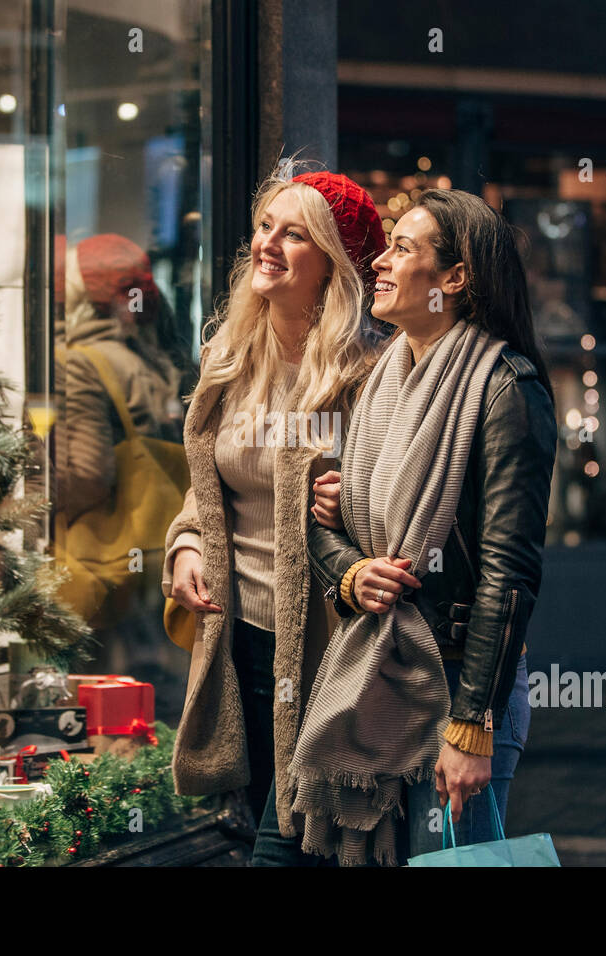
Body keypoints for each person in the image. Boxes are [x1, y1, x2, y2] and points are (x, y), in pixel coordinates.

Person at [291, 189, 557, 866]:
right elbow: (323, 522)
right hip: (374, 670)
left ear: (455, 278)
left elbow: (509, 571)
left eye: (402, 249)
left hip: (457, 682)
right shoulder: (381, 381)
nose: (380, 261)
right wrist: (350, 572)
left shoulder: (505, 388)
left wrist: (473, 724)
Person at [161, 168, 386, 846]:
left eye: (295, 235)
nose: (269, 245)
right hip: (241, 639)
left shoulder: (370, 373)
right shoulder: (231, 357)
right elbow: (209, 485)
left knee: (302, 840)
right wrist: (187, 543)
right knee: (266, 824)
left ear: (333, 263)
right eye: (266, 227)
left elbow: (404, 503)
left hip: (328, 650)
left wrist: (355, 499)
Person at [53, 234, 189, 709]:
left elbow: (88, 473)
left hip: (108, 567)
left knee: (104, 703)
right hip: (158, 555)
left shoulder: (77, 363)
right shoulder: (151, 361)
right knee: (156, 695)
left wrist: (26, 505)